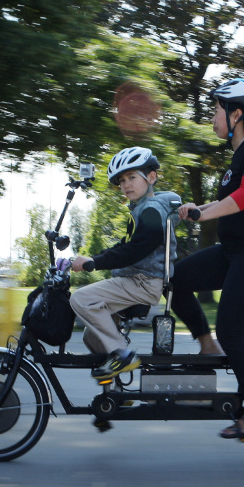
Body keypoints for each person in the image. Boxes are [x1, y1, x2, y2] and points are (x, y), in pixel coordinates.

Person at [172, 78, 244, 441]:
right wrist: (196, 208)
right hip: (235, 250)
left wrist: (202, 216)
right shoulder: (241, 152)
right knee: (175, 278)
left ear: (236, 113)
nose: (211, 116)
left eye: (216, 110)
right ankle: (207, 344)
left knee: (231, 329)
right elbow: (236, 197)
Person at [69, 147, 181, 381]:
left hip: (142, 282)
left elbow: (135, 251)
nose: (126, 184)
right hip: (136, 281)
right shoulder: (143, 210)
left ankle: (123, 353)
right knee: (93, 336)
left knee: (79, 298)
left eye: (132, 177)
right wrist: (92, 259)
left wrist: (95, 263)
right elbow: (124, 245)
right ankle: (117, 394)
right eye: (121, 180)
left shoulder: (152, 211)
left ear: (151, 178)